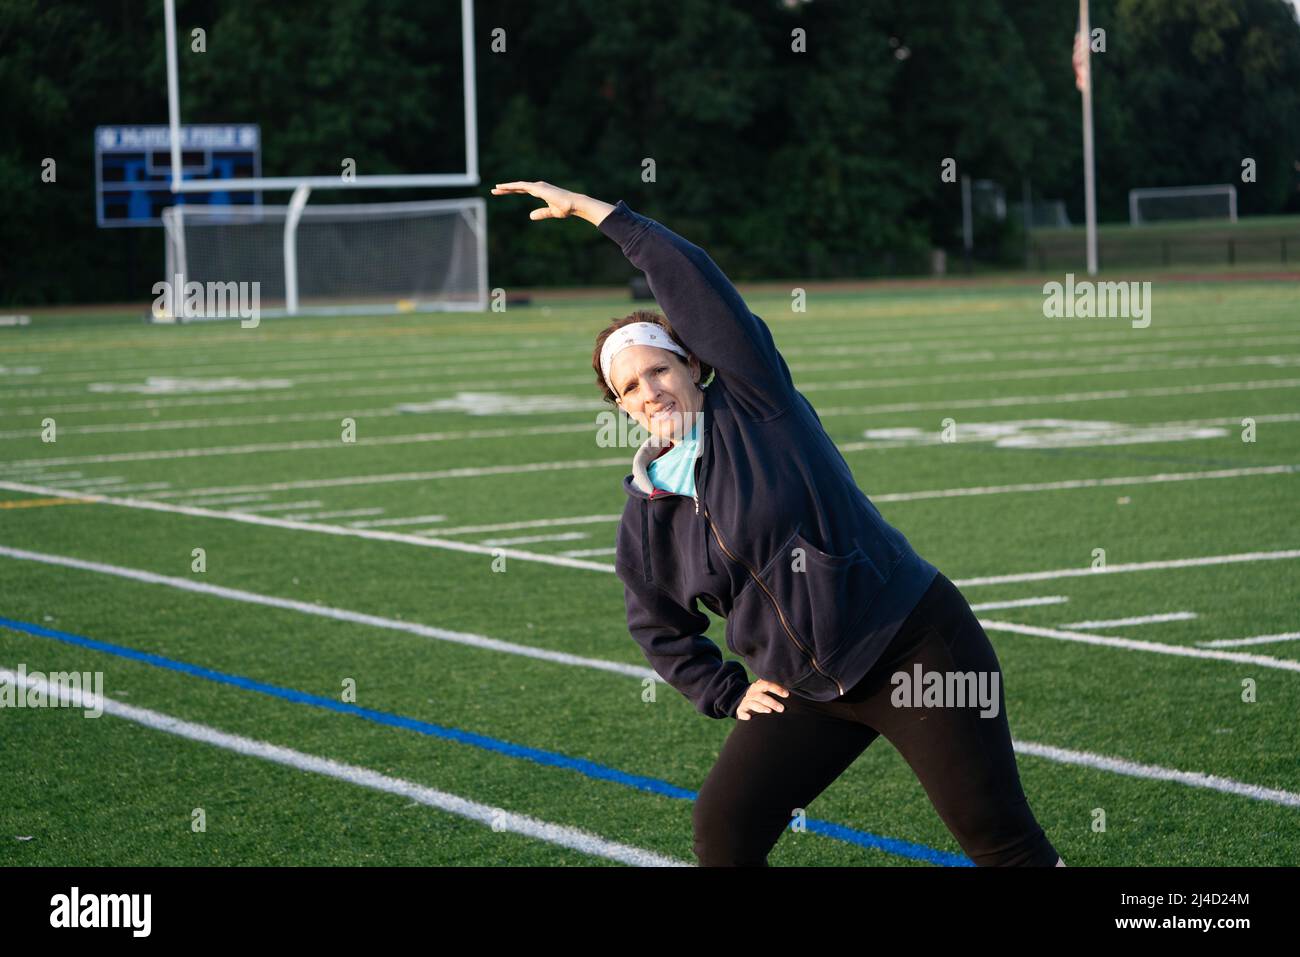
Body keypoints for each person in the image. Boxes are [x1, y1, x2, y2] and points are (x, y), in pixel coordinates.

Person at [491, 180, 1065, 868]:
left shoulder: (758, 404)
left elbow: (691, 278)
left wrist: (598, 213)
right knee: (724, 833)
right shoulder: (648, 508)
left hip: (909, 645)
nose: (648, 392)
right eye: (629, 388)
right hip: (805, 690)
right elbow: (655, 623)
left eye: (658, 369)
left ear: (695, 365)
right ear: (619, 406)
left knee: (998, 837)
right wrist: (725, 690)